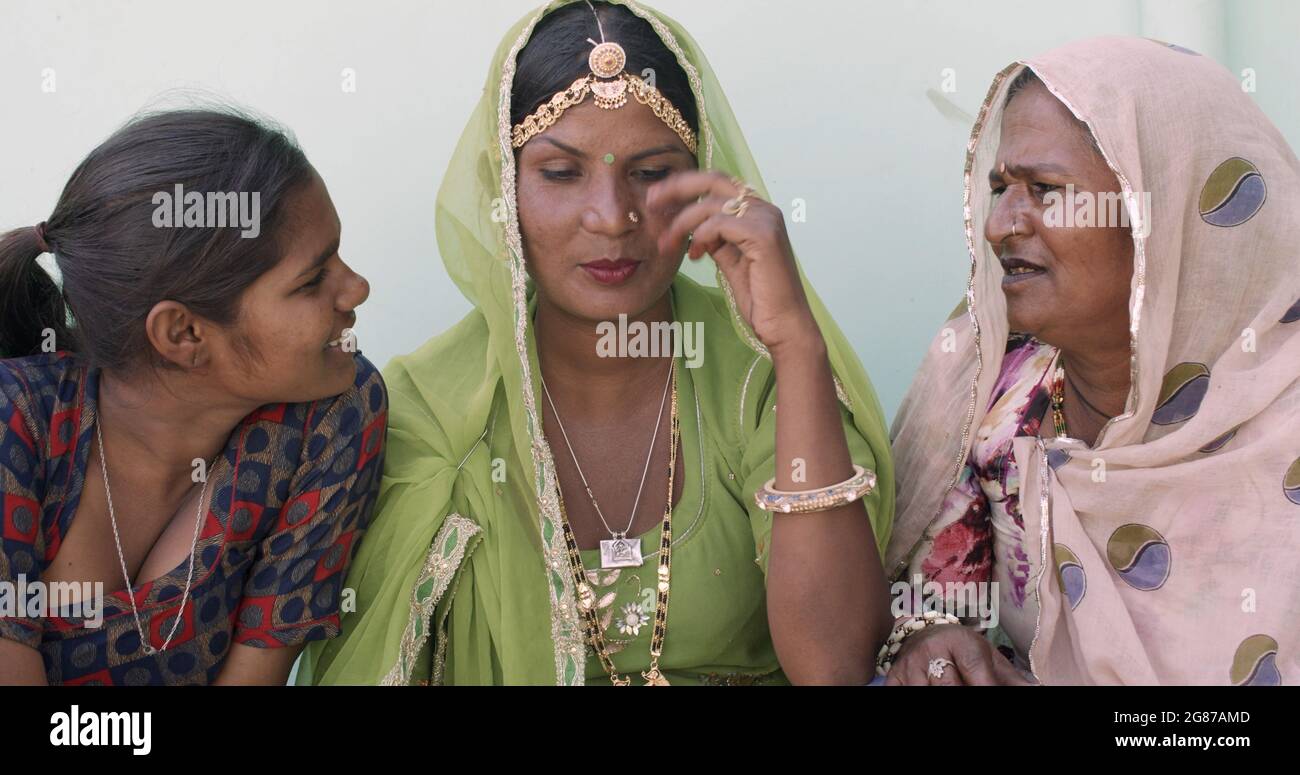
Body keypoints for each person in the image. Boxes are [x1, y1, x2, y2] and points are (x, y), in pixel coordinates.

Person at [297, 0, 895, 686]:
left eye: (652, 171)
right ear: (505, 189)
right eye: (560, 173)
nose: (613, 218)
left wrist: (797, 349)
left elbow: (836, 667)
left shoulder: (755, 381)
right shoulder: (432, 414)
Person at [886, 38, 1300, 685]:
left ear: (1159, 213)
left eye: (1045, 189)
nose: (1000, 225)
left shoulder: (1283, 423)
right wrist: (929, 637)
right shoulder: (993, 388)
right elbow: (932, 608)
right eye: (999, 187)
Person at [0, 109, 386, 685]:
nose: (357, 288)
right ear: (183, 334)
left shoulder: (331, 416)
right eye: (311, 280)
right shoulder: (18, 422)